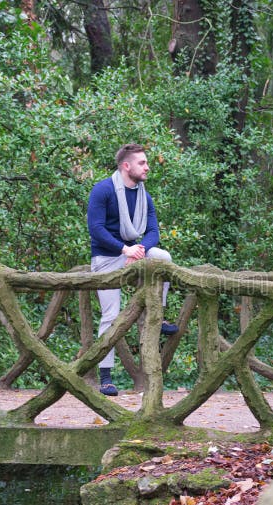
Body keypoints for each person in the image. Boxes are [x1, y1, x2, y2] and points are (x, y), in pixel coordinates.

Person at [87, 143, 178, 396]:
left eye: (146, 162)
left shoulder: (143, 195)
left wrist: (138, 250)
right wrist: (124, 250)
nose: (147, 167)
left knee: (162, 257)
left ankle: (156, 316)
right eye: (142, 163)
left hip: (134, 254)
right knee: (111, 314)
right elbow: (96, 229)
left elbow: (153, 232)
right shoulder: (102, 190)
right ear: (126, 166)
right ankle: (106, 377)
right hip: (107, 257)